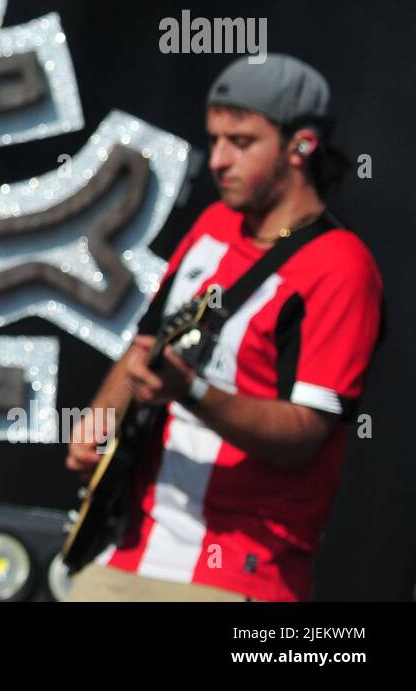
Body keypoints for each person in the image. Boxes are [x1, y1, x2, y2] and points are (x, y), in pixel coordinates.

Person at [63, 54, 383, 602]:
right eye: (214, 141)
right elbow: (147, 343)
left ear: (301, 147)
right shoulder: (212, 226)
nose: (218, 160)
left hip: (241, 570)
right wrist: (100, 415)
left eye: (241, 142)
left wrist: (191, 390)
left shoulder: (341, 267)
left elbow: (305, 434)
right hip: (128, 548)